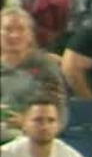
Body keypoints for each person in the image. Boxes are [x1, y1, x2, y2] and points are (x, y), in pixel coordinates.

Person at [0, 8, 66, 141]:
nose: (14, 35)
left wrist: (26, 122)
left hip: (32, 136)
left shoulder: (45, 66)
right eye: (8, 29)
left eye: (20, 29)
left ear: (30, 34)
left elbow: (58, 110)